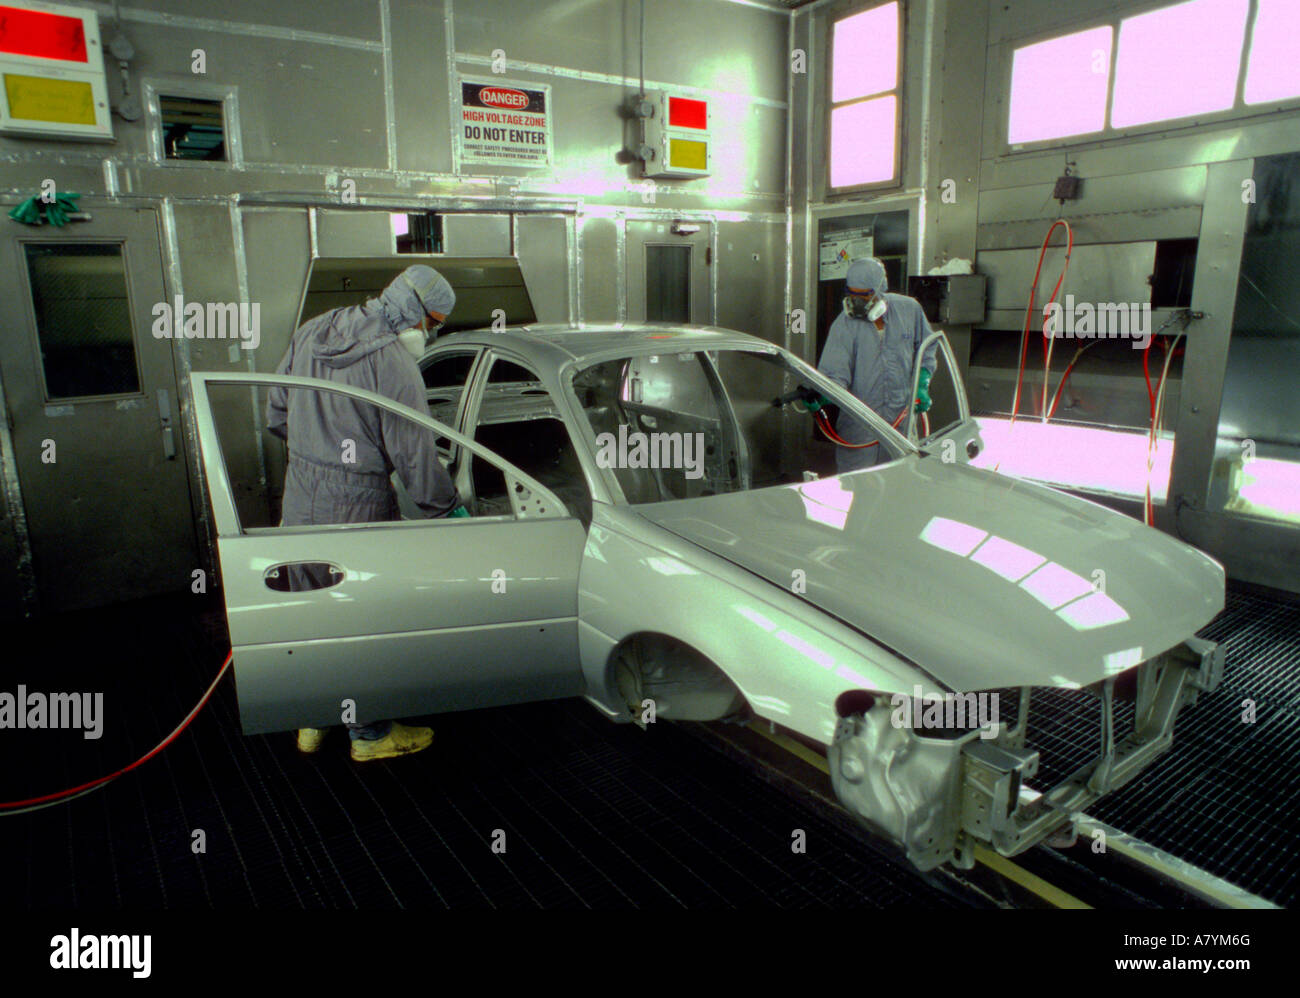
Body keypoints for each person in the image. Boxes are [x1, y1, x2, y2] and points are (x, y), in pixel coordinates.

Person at [267, 264, 466, 762]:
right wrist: (446, 511)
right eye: (432, 322)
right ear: (414, 312)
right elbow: (415, 454)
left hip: (300, 494)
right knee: (360, 622)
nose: (431, 333)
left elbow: (274, 411)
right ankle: (371, 735)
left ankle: (314, 721)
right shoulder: (394, 364)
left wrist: (316, 450)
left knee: (312, 614)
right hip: (357, 506)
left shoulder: (316, 327)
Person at [817, 257, 938, 472]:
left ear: (880, 288)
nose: (857, 302)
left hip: (901, 423)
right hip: (860, 429)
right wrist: (821, 395)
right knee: (858, 489)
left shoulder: (909, 310)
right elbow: (834, 375)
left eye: (864, 295)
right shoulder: (844, 325)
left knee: (902, 483)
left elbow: (927, 348)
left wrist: (922, 383)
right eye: (852, 294)